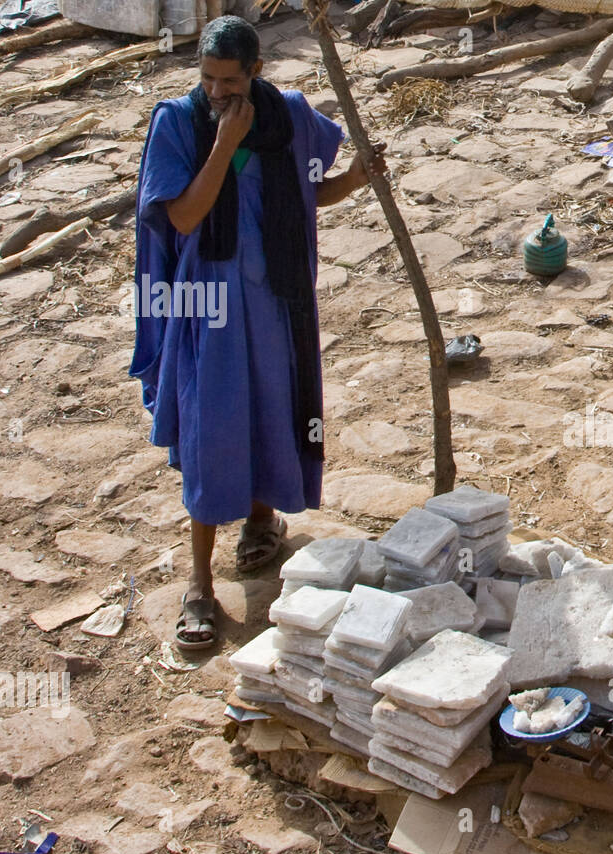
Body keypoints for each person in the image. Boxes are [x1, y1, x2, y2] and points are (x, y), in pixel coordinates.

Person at [131, 16, 387, 650]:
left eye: (230, 80)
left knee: (273, 408)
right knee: (210, 429)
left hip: (275, 299)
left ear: (256, 74)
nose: (218, 90)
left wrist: (355, 179)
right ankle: (198, 585)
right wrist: (223, 143)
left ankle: (262, 521)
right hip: (208, 307)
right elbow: (186, 216)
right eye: (208, 79)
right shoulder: (179, 123)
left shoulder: (289, 116)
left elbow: (305, 194)